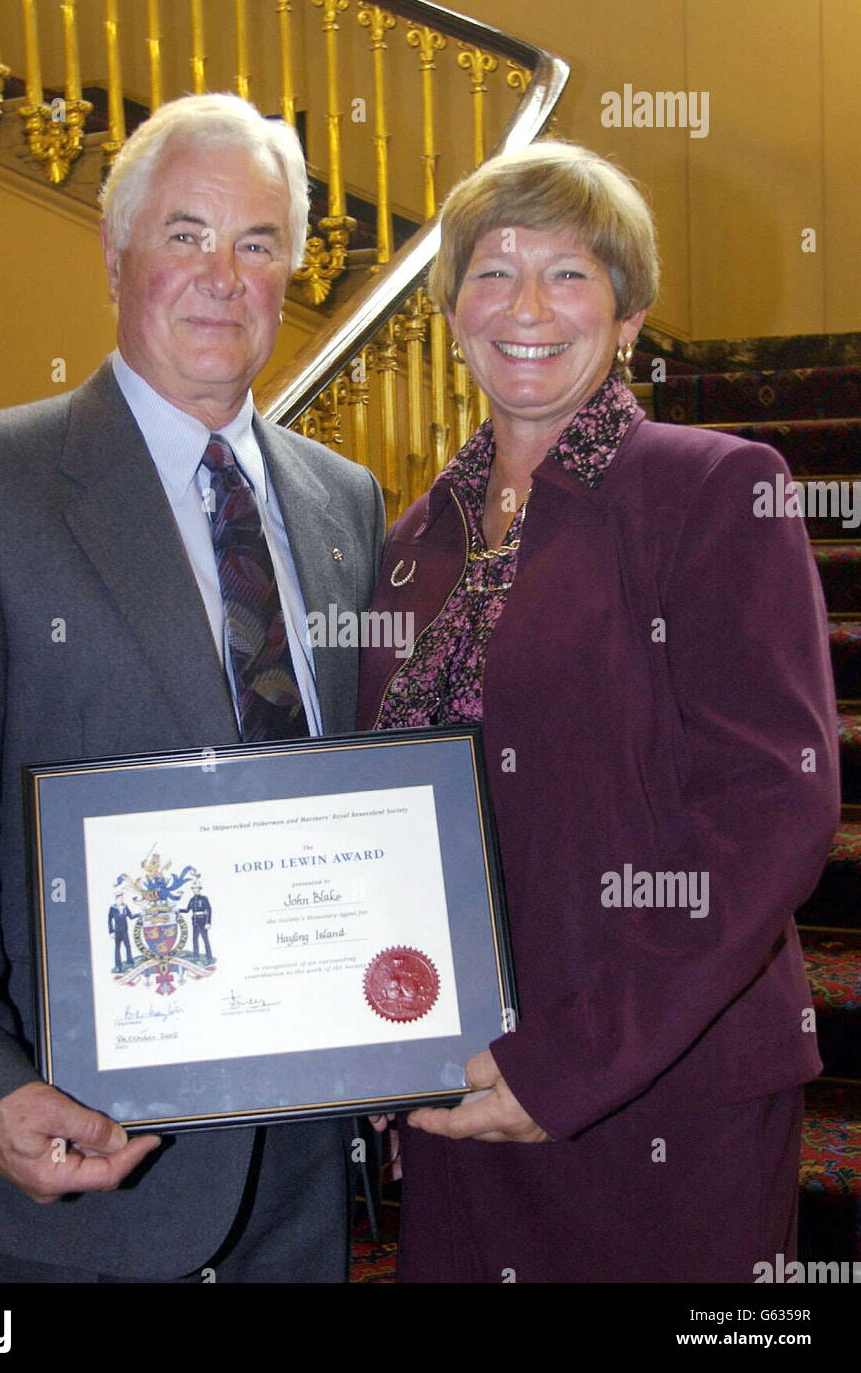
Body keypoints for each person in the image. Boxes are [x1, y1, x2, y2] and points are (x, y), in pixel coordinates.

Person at [0, 93, 384, 1283]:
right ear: (113, 255)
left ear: (290, 272)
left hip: (302, 1170)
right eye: (186, 234)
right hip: (89, 1159)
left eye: (256, 244)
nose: (221, 275)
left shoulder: (341, 503)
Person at [357, 140, 839, 1282]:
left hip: (660, 1091)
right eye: (490, 271)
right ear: (450, 310)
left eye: (567, 272)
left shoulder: (713, 488)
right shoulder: (411, 542)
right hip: (462, 1081)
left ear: (626, 317)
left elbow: (774, 806)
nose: (524, 304)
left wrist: (564, 1060)